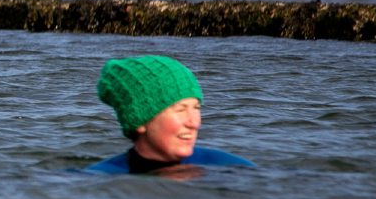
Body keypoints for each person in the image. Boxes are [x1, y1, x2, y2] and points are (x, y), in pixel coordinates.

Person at [86, 54, 254, 175]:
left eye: (196, 108)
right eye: (180, 110)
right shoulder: (101, 178)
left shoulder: (233, 169)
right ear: (140, 122)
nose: (194, 123)